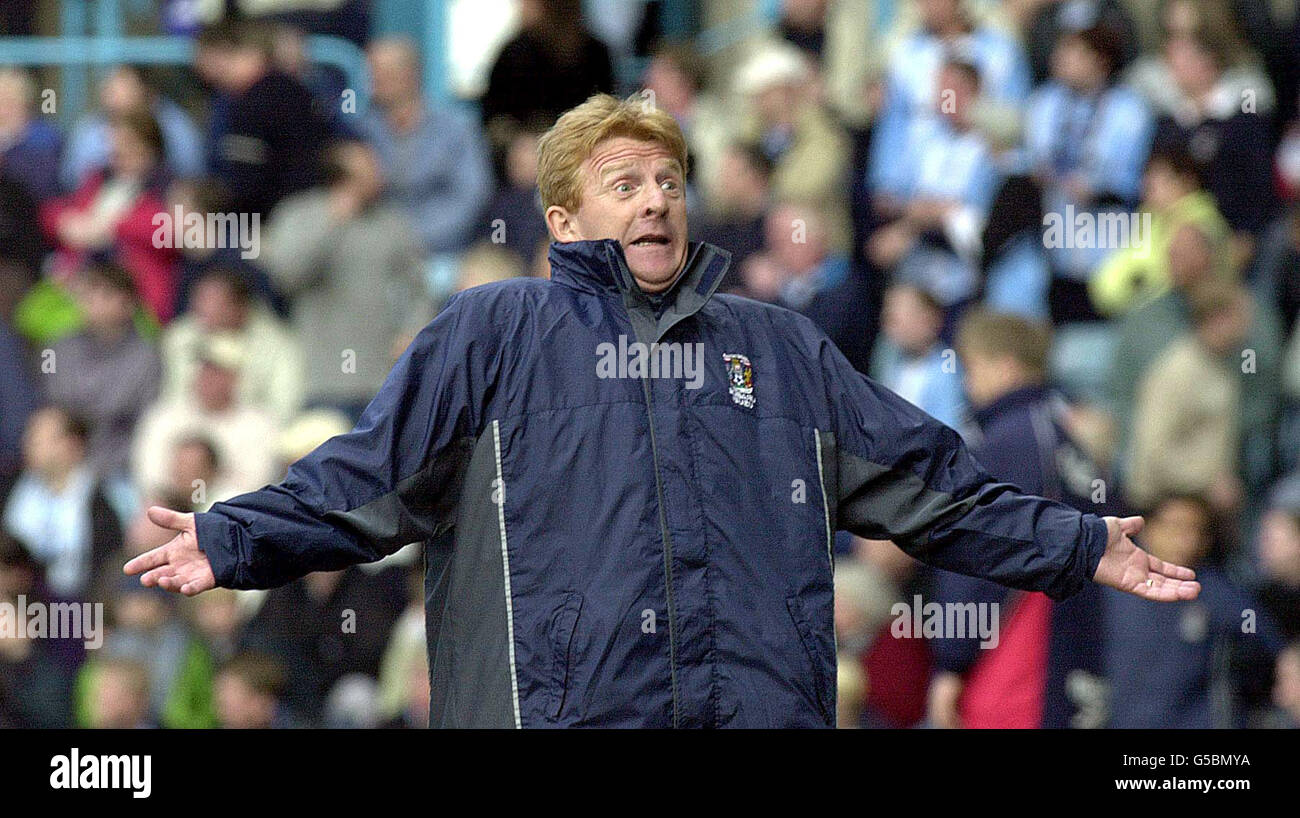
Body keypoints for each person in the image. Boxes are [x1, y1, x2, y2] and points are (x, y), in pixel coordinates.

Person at [128, 93, 1200, 729]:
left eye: (671, 179)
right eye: (625, 181)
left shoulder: (774, 343)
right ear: (562, 214)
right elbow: (366, 477)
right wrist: (234, 534)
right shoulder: (496, 328)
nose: (656, 198)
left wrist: (1071, 540)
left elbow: (931, 484)